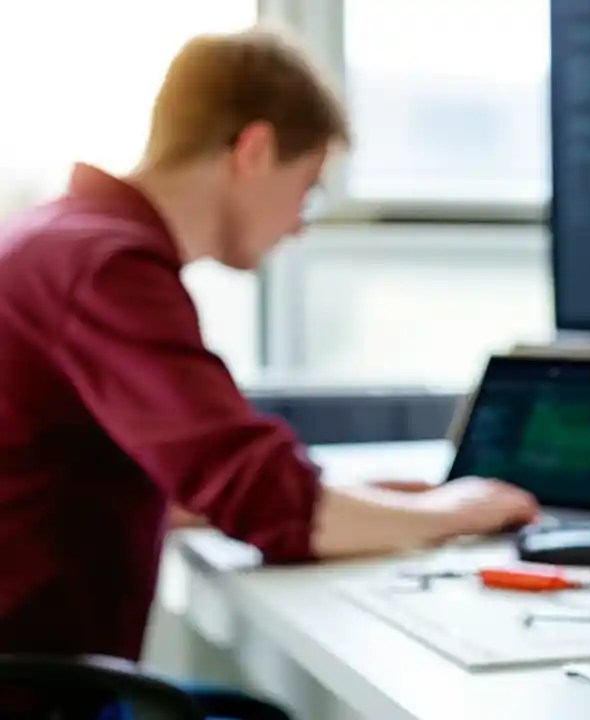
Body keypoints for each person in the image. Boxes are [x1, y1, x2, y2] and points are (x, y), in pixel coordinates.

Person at [0, 26, 542, 672]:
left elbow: (164, 477)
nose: (299, 223)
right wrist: (453, 512)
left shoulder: (52, 237)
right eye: (306, 186)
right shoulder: (108, 268)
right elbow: (271, 509)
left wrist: (381, 506)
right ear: (254, 149)